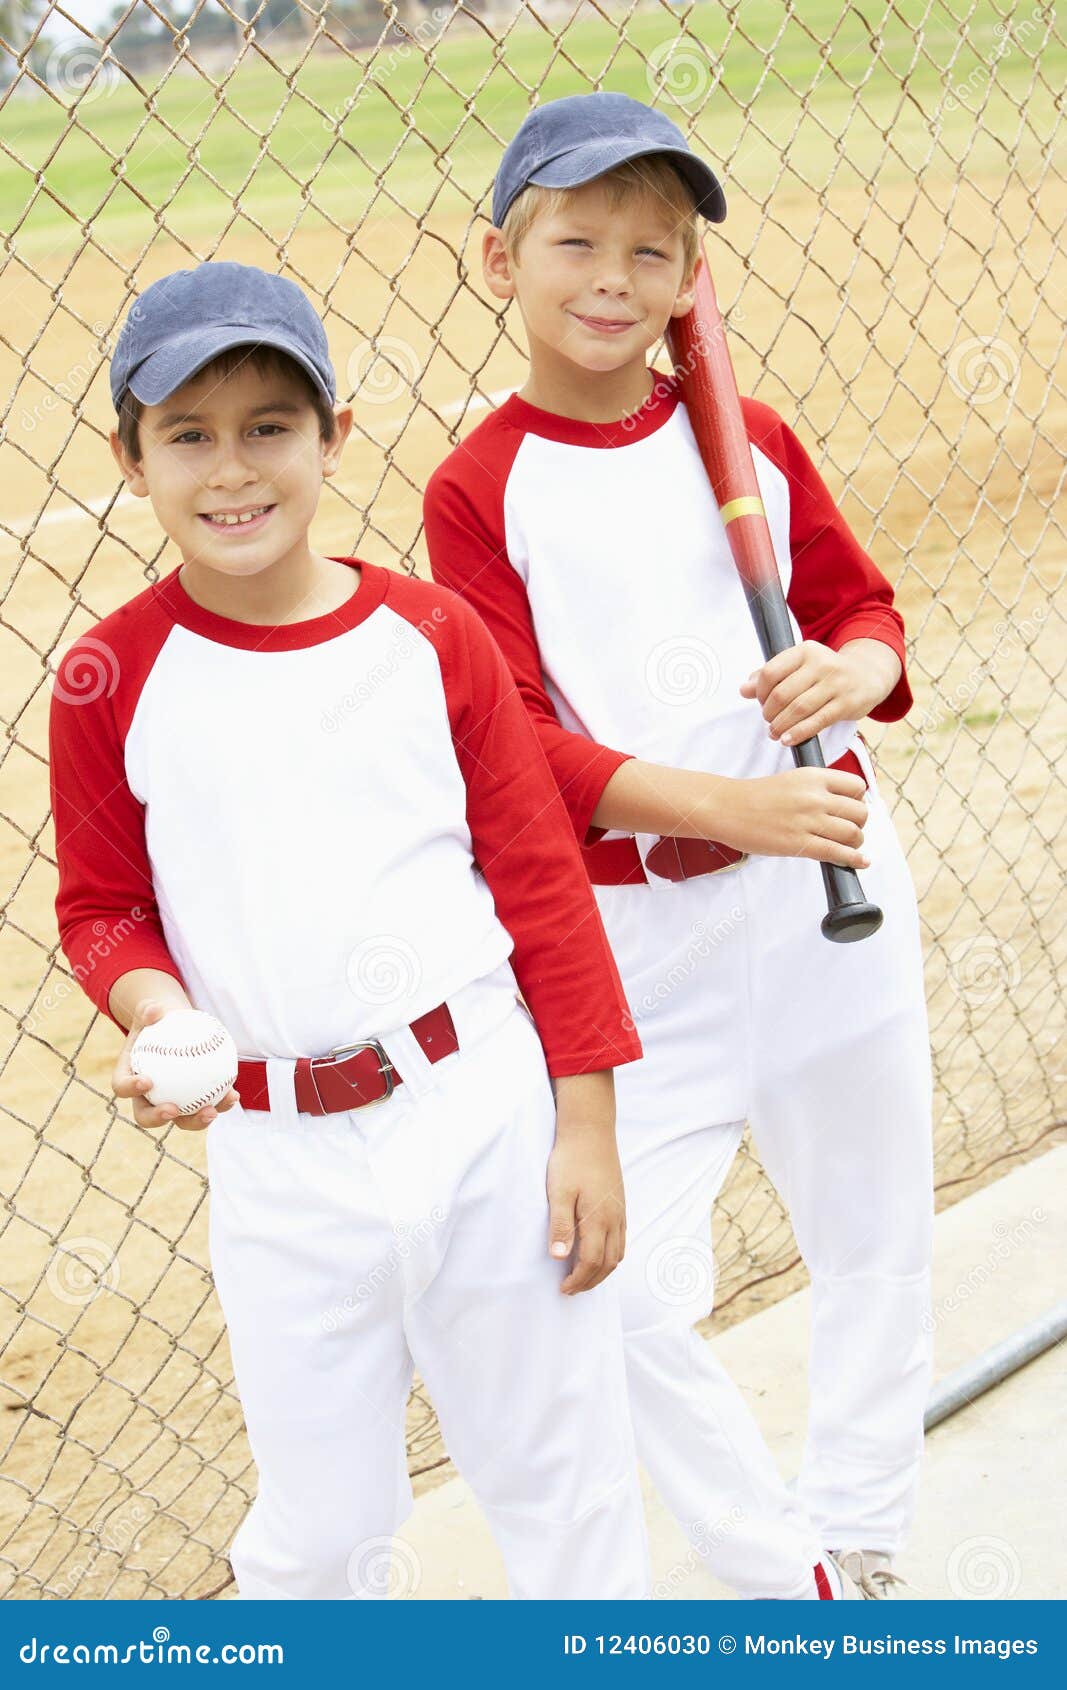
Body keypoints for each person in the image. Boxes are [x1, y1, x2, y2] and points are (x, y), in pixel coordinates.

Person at [48, 260, 652, 1601]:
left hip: (482, 1109)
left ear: (336, 433)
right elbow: (100, 907)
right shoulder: (108, 679)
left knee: (564, 1479)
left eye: (271, 424)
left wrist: (589, 1121)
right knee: (323, 1534)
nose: (232, 469)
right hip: (281, 1156)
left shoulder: (432, 637)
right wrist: (156, 1008)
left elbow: (542, 882)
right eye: (187, 435)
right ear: (128, 458)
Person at [423, 92, 934, 1601]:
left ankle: (865, 1532)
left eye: (654, 251)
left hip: (834, 879)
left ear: (688, 280)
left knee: (873, 1231)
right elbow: (516, 750)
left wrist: (855, 672)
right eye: (574, 239)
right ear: (495, 262)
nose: (613, 278)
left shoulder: (750, 436)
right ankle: (783, 1566)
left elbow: (870, 614)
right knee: (610, 1279)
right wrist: (730, 810)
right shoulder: (480, 488)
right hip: (647, 935)